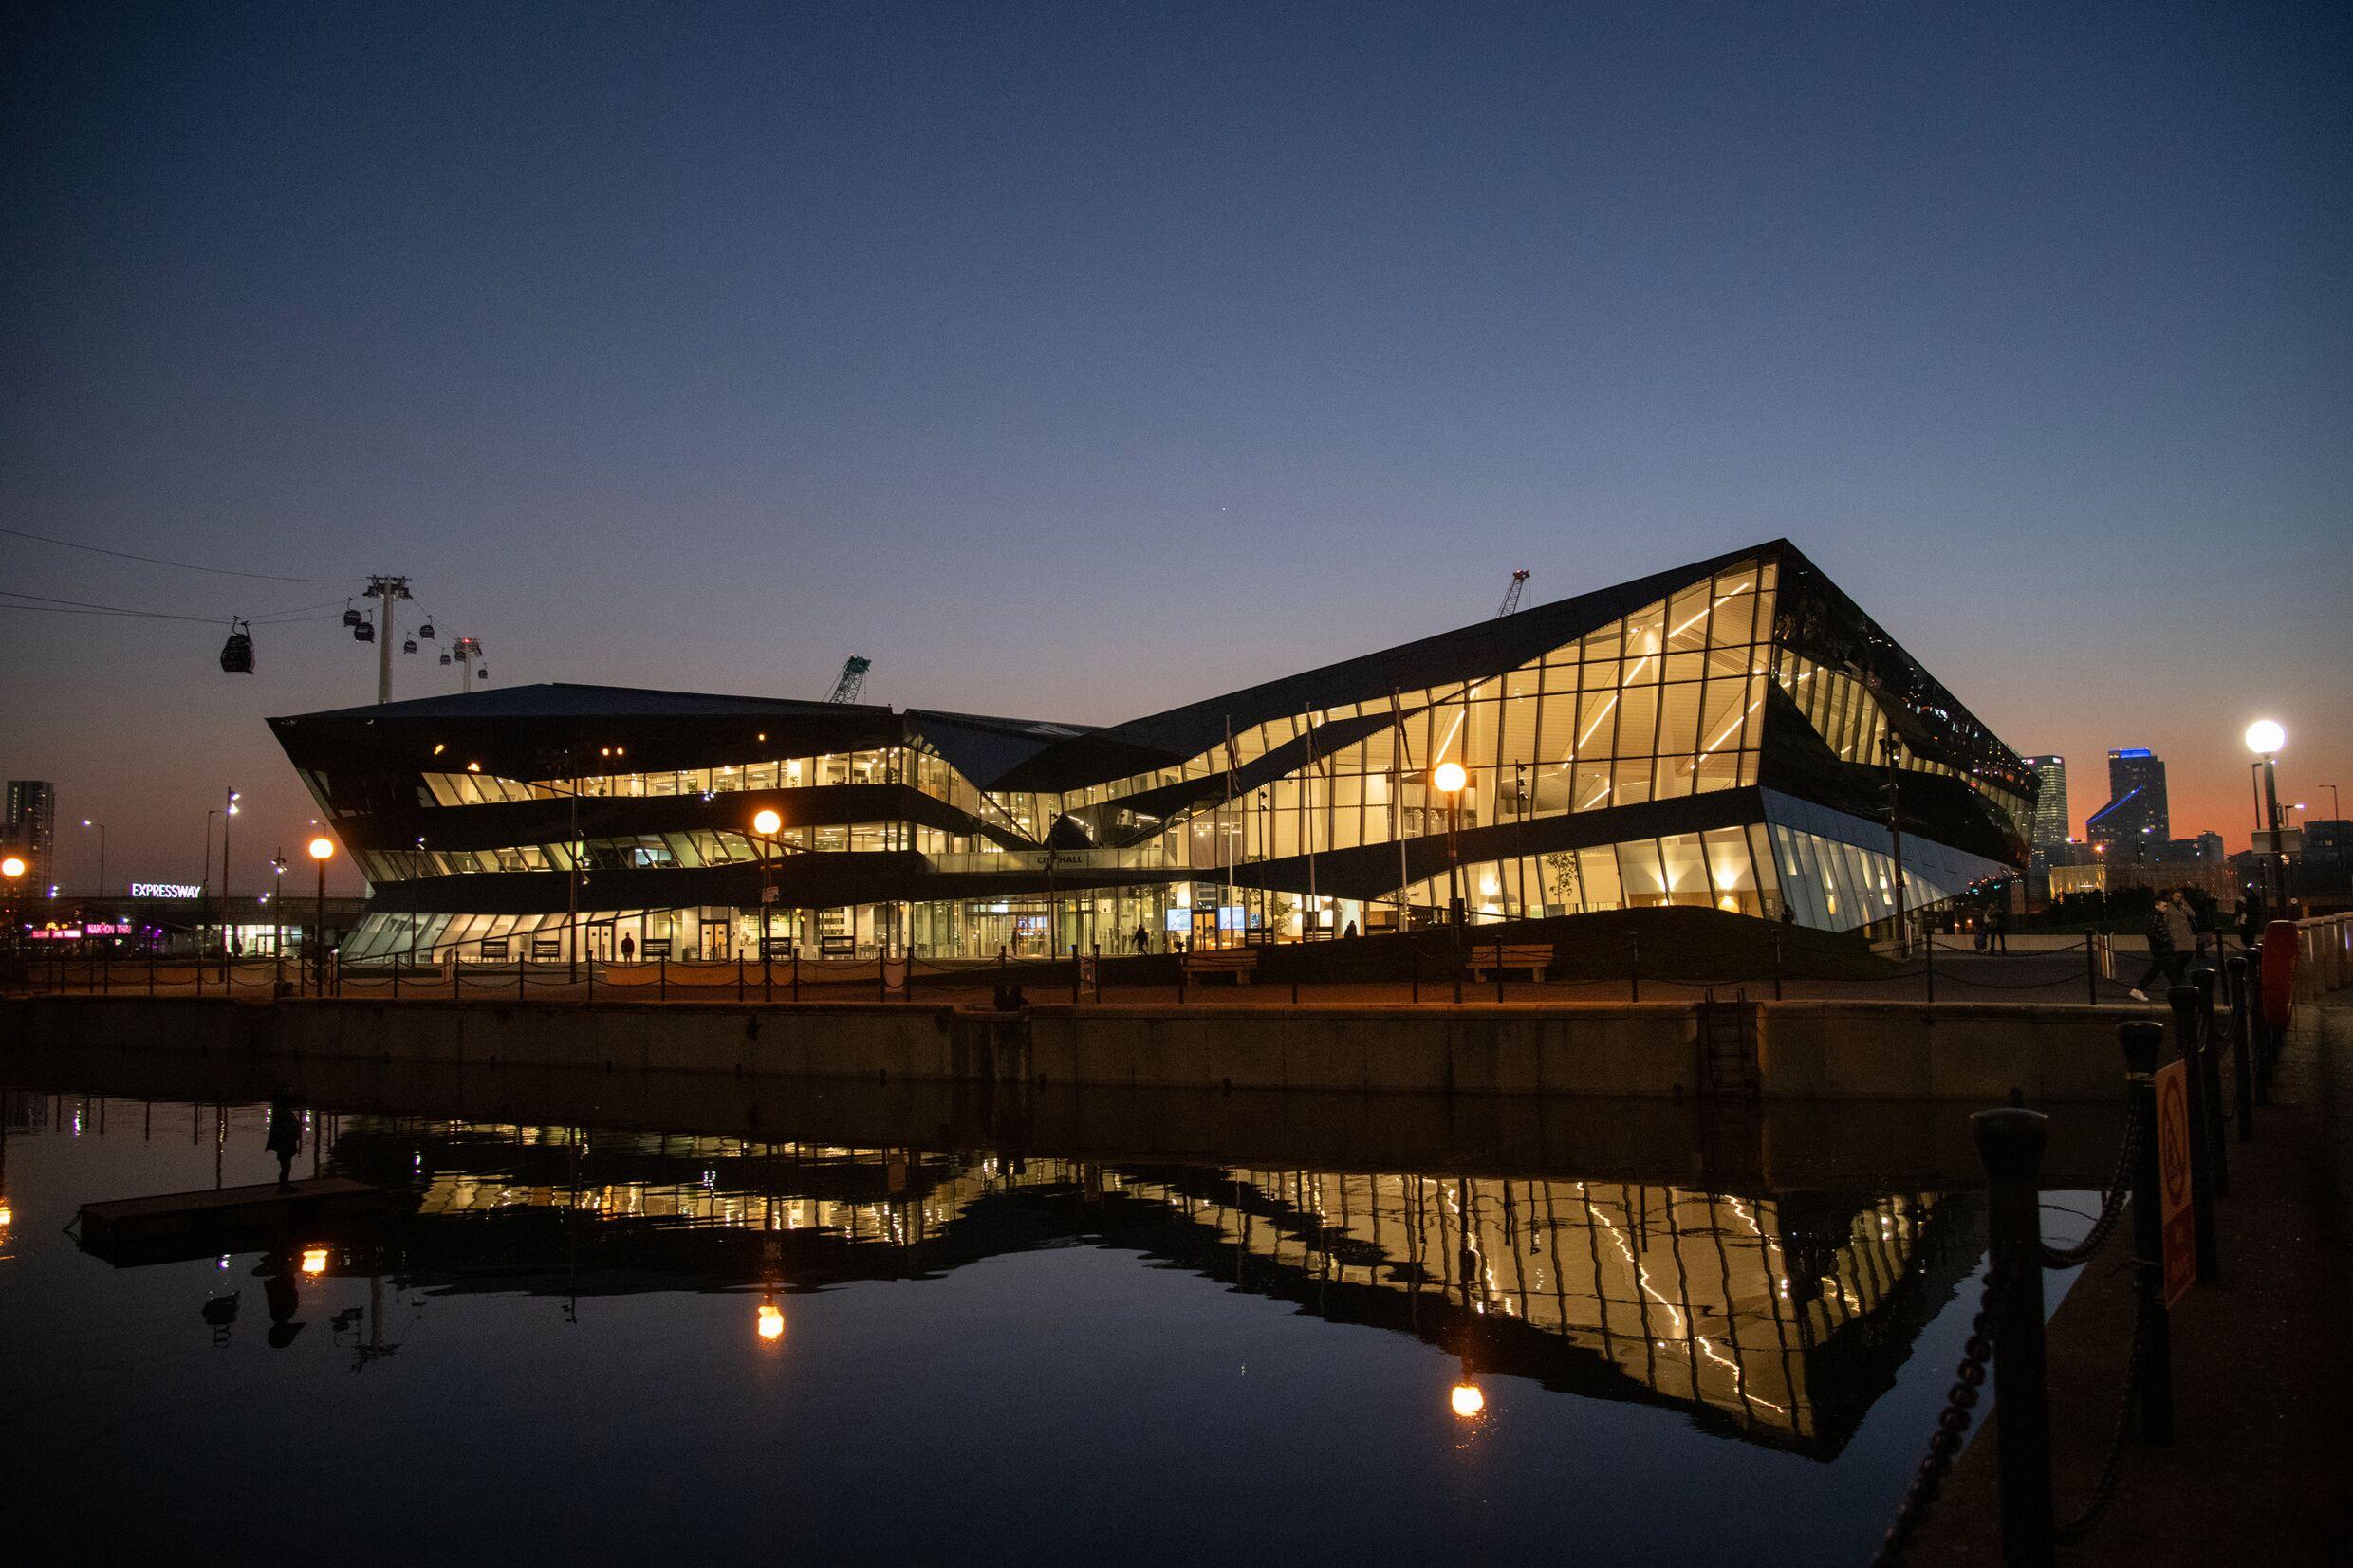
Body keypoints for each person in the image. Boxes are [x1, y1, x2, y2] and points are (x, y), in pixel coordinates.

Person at [265, 1088, 303, 1190]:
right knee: (285, 1165)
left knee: (286, 1164)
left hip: (286, 1141)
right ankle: (284, 1186)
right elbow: (285, 1126)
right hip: (284, 1141)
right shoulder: (282, 1111)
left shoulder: (282, 1110)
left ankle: (284, 1184)